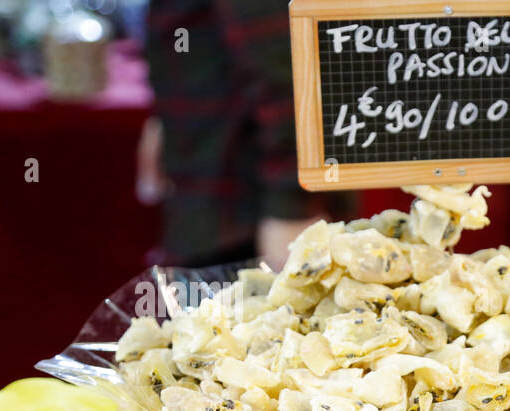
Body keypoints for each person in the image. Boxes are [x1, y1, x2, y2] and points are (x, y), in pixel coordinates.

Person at [144, 0, 355, 268]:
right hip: (218, 191)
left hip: (252, 216)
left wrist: (294, 207)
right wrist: (165, 118)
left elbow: (294, 77)